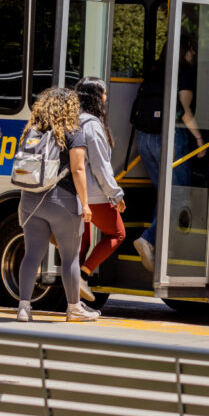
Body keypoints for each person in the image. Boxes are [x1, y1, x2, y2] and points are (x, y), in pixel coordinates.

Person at [15, 87, 98, 323]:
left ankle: (23, 307)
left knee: (31, 254)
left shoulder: (32, 129)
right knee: (70, 257)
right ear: (70, 108)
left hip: (30, 199)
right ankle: (74, 308)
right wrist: (85, 203)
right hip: (61, 201)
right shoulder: (73, 131)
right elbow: (78, 169)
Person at [130, 35, 204, 274]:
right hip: (169, 138)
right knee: (178, 195)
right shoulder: (183, 72)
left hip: (144, 139)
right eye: (194, 50)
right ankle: (150, 239)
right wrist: (199, 138)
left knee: (165, 193)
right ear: (188, 50)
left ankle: (159, 246)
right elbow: (183, 110)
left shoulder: (155, 70)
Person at [75, 78, 127, 303]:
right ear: (97, 97)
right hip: (93, 195)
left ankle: (73, 300)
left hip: (74, 193)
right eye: (104, 93)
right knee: (117, 233)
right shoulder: (93, 126)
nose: (107, 97)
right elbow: (100, 166)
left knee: (82, 241)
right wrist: (116, 194)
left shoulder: (73, 120)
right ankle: (82, 275)